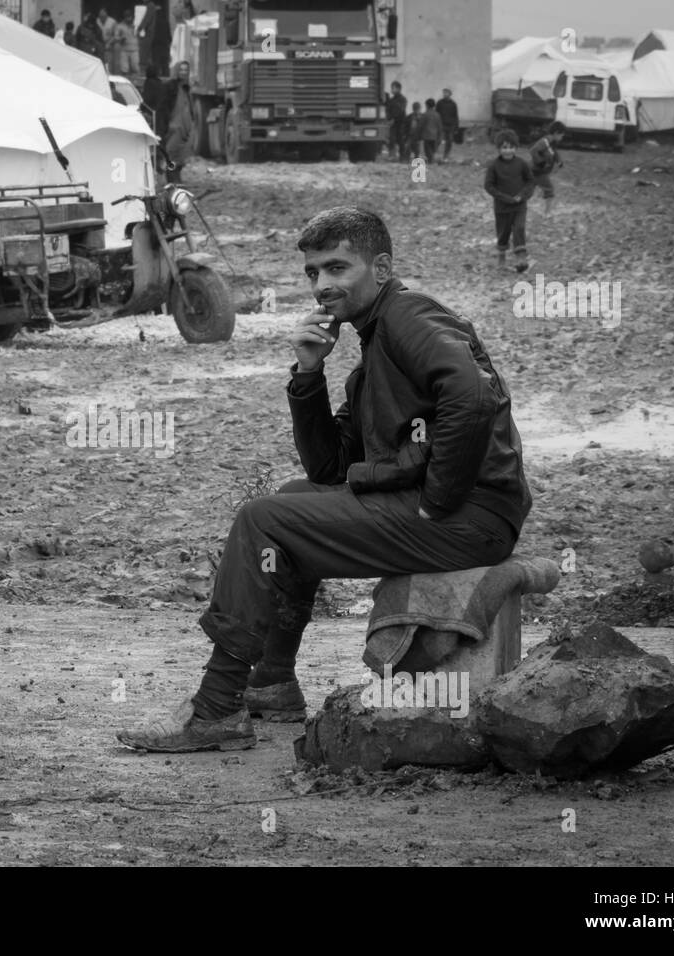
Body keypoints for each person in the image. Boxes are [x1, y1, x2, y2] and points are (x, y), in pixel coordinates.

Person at [116, 207, 532, 753]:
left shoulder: (409, 317)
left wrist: (439, 500)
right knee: (290, 500)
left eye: (338, 268)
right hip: (457, 513)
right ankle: (272, 680)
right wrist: (309, 372)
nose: (323, 286)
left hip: (468, 518)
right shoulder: (373, 343)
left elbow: (472, 396)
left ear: (381, 267)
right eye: (314, 273)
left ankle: (216, 707)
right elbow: (328, 470)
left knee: (262, 518)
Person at [484, 130, 536, 272]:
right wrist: (504, 198)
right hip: (502, 207)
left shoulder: (521, 164)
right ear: (499, 149)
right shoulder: (493, 166)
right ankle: (502, 255)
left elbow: (531, 181)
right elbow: (488, 186)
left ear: (516, 147)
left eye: (511, 147)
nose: (508, 151)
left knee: (519, 228)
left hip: (520, 205)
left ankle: (521, 258)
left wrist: (523, 195)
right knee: (503, 232)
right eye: (504, 147)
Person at [162, 61, 196, 183]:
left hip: (185, 130)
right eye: (181, 70)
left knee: (181, 158)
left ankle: (176, 181)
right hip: (174, 128)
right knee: (171, 155)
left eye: (186, 70)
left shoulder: (187, 88)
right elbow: (164, 108)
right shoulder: (170, 87)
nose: (184, 72)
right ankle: (172, 182)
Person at [529, 121, 565, 215]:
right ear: (556, 133)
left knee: (528, 191)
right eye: (561, 135)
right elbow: (533, 150)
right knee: (549, 190)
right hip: (537, 171)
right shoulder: (545, 141)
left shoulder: (552, 143)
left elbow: (554, 153)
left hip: (537, 171)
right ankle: (547, 213)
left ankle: (516, 205)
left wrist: (559, 161)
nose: (562, 138)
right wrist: (541, 163)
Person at [138, 2, 172, 75]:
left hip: (156, 44)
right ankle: (166, 76)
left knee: (156, 61)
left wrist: (140, 29)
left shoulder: (154, 22)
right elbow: (169, 35)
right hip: (165, 45)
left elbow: (146, 22)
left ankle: (156, 75)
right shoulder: (166, 21)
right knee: (165, 63)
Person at [385, 80, 408, 162]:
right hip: (393, 123)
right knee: (391, 139)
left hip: (400, 122)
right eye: (391, 88)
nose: (392, 90)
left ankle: (403, 157)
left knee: (401, 140)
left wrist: (393, 119)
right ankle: (392, 155)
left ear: (398, 89)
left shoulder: (402, 99)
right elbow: (388, 110)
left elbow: (400, 110)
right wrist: (389, 118)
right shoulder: (391, 100)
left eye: (393, 88)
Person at [143, 64, 168, 137]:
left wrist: (142, 107)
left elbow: (148, 98)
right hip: (161, 113)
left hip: (151, 113)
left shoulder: (148, 83)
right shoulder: (160, 83)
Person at [437, 88, 460, 160]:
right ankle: (433, 153)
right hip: (442, 125)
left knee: (449, 140)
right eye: (444, 93)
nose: (444, 94)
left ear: (450, 94)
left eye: (446, 93)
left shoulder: (453, 104)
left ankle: (446, 155)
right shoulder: (439, 103)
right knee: (439, 140)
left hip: (450, 126)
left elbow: (455, 116)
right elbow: (436, 114)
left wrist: (456, 127)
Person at [115, 11, 140, 77]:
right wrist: (121, 39)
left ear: (132, 17)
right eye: (127, 17)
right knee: (124, 69)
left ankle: (135, 82)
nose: (129, 18)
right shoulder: (120, 26)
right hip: (124, 49)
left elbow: (141, 35)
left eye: (130, 17)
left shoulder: (136, 25)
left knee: (135, 68)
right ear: (125, 17)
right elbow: (116, 37)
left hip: (134, 49)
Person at [421, 98, 443, 164]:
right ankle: (433, 161)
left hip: (427, 136)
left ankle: (431, 162)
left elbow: (421, 125)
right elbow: (440, 127)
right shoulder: (437, 115)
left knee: (428, 151)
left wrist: (419, 134)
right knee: (433, 150)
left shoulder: (425, 114)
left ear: (427, 105)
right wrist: (440, 136)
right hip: (435, 136)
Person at [98, 7, 119, 73]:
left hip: (109, 46)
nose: (102, 17)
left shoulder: (113, 22)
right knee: (100, 63)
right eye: (100, 15)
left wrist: (109, 43)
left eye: (103, 15)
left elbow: (116, 35)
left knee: (108, 65)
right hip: (99, 46)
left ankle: (109, 78)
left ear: (106, 14)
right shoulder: (97, 21)